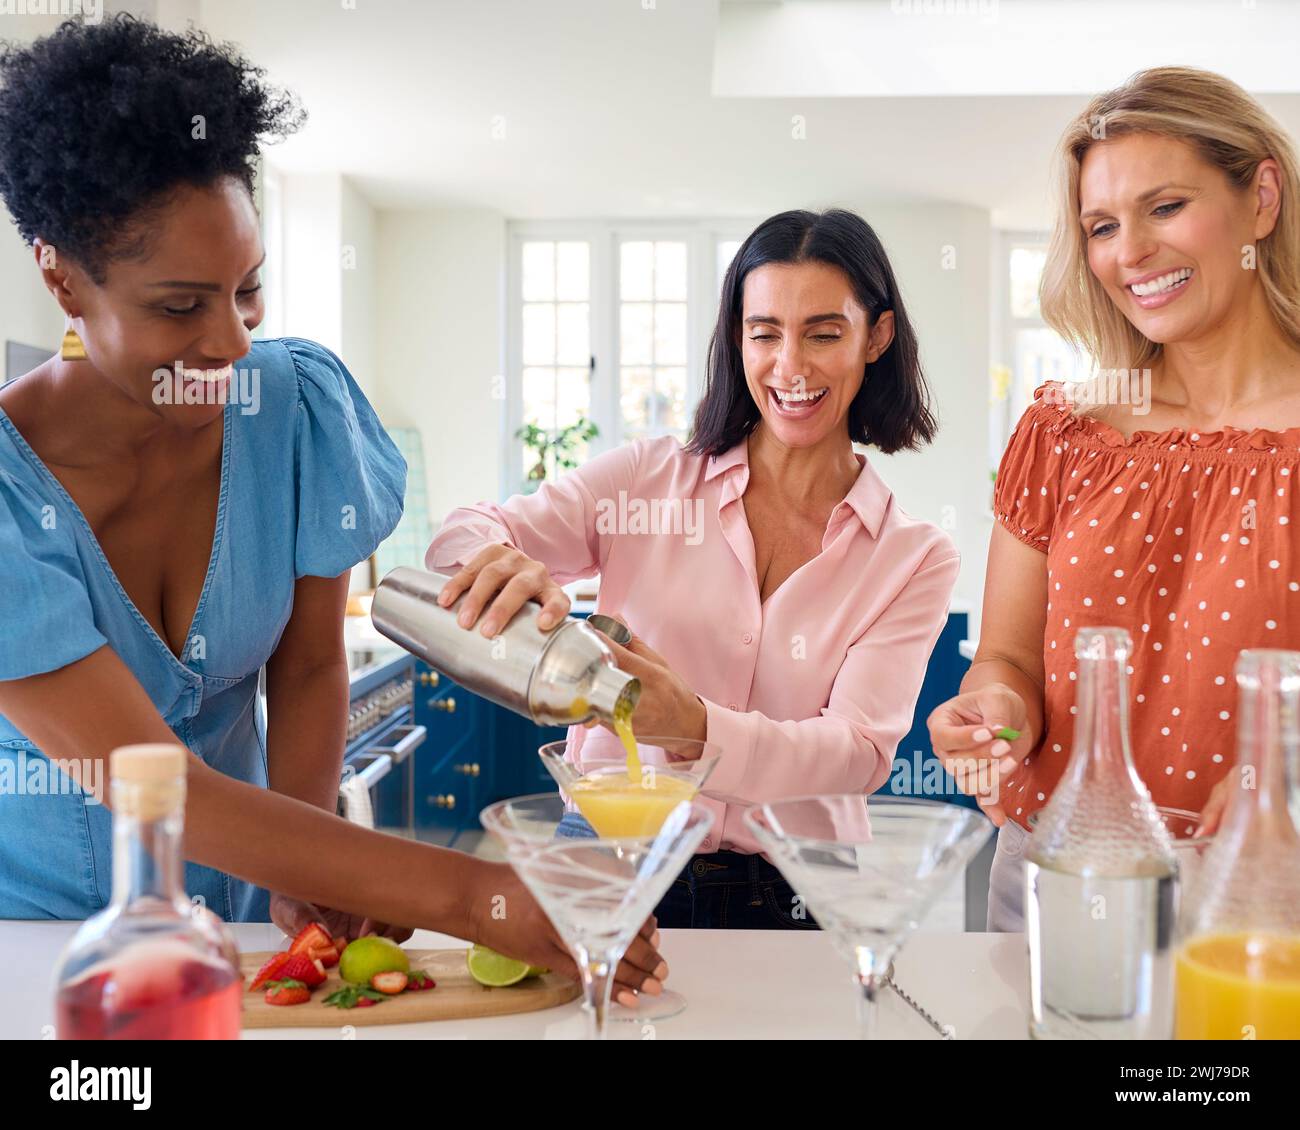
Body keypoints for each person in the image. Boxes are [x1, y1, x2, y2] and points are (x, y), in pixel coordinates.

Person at [0, 15, 663, 1003]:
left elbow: (307, 664)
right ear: (61, 276)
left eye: (249, 289)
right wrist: (481, 897)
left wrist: (303, 868)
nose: (230, 342)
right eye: (180, 306)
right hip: (44, 949)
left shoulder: (293, 409)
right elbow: (152, 777)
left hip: (233, 921)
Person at [429, 208, 961, 929]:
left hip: (793, 882)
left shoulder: (912, 557)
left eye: (824, 334)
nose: (791, 367)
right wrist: (495, 558)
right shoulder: (647, 480)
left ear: (878, 336)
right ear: (737, 338)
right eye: (764, 332)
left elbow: (855, 754)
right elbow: (463, 533)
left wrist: (693, 727)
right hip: (614, 850)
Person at [927, 66, 1300, 931]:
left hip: (1267, 893)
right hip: (1057, 878)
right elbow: (1009, 660)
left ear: (1262, 199)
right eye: (1101, 226)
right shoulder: (1064, 432)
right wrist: (994, 712)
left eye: (1165, 207)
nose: (1127, 252)